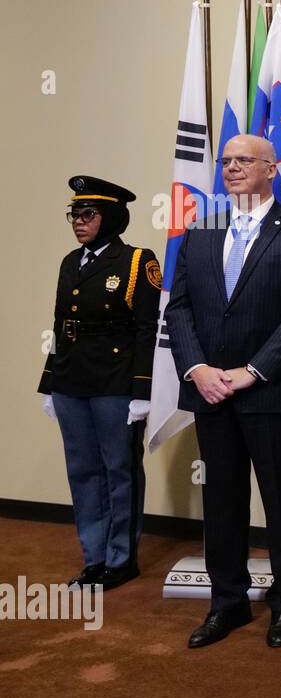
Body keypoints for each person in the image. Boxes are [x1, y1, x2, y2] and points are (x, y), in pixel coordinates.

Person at [165, 134, 281, 649]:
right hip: (210, 393)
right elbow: (180, 308)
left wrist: (251, 371)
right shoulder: (200, 231)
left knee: (280, 501)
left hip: (271, 393)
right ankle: (227, 602)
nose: (232, 168)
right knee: (223, 501)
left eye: (244, 161)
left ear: (271, 169)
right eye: (226, 161)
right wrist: (196, 368)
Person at [40, 175, 160, 590]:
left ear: (111, 217)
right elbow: (61, 325)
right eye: (74, 213)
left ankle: (121, 559)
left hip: (115, 383)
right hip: (72, 382)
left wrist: (142, 391)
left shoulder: (137, 261)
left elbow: (148, 330)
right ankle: (94, 558)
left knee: (120, 470)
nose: (79, 221)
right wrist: (49, 383)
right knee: (83, 471)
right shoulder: (71, 262)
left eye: (88, 214)